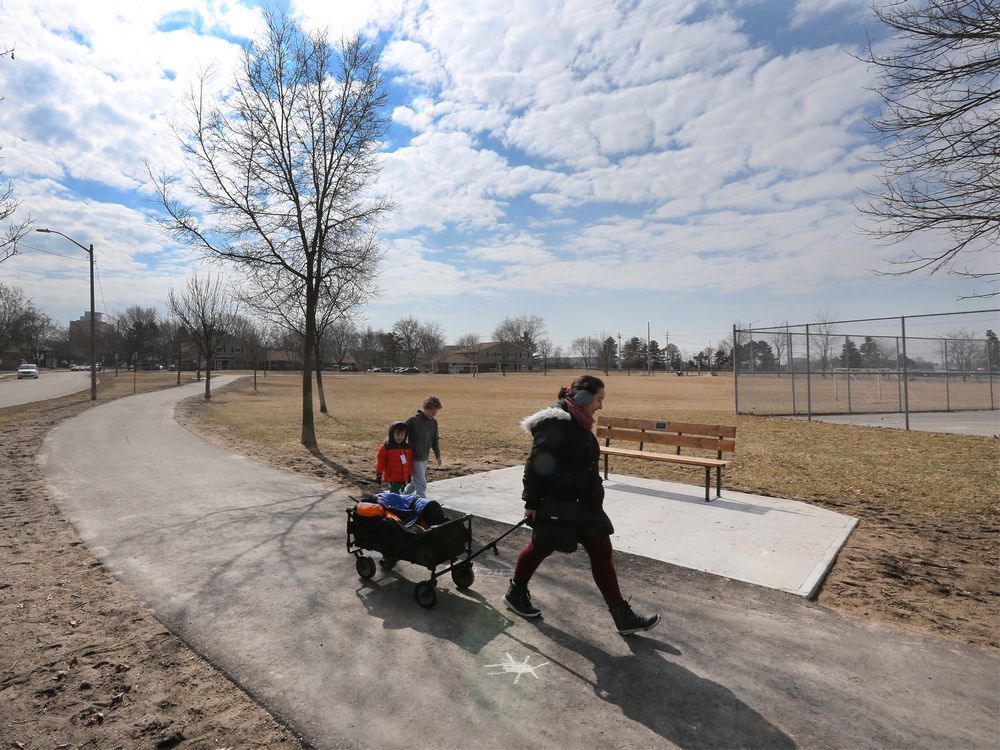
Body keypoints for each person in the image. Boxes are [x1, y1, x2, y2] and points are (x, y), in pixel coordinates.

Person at [505, 375, 661, 635]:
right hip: (560, 503)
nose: (600, 406)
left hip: (586, 505)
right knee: (540, 547)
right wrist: (531, 502)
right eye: (599, 399)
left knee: (602, 554)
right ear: (584, 398)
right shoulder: (556, 422)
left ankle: (622, 616)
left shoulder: (579, 420)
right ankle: (515, 592)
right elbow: (536, 464)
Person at [403, 396, 442, 498]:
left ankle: (404, 495)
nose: (434, 414)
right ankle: (422, 500)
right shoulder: (413, 421)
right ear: (426, 408)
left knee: (415, 481)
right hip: (414, 457)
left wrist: (438, 456)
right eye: (433, 412)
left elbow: (435, 440)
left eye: (436, 412)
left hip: (425, 457)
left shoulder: (434, 422)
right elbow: (400, 430)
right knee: (421, 483)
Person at [375, 421, 413, 493]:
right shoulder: (387, 447)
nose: (400, 437)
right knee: (394, 493)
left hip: (403, 477)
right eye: (397, 435)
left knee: (401, 493)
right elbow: (381, 461)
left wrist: (409, 474)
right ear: (392, 434)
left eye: (402, 435)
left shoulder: (407, 448)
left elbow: (409, 462)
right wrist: (379, 473)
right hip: (392, 477)